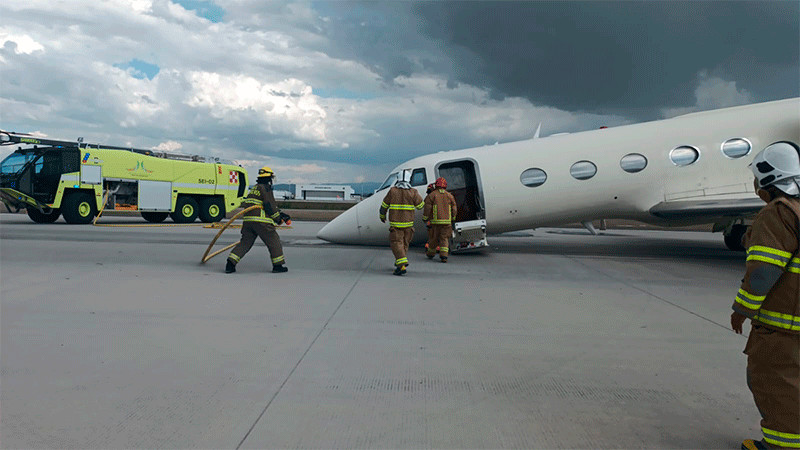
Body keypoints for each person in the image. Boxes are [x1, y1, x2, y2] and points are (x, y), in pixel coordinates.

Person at [730, 142, 800, 450]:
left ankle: (780, 447)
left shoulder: (779, 214)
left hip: (785, 329)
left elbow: (763, 272)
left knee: (777, 386)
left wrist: (741, 310)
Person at [225, 166, 290, 274]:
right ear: (269, 178)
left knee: (245, 243)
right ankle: (278, 266)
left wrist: (281, 213)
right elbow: (269, 206)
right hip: (261, 222)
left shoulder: (254, 189)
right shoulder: (266, 188)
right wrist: (278, 219)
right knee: (274, 241)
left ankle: (230, 264)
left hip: (248, 222)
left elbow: (262, 204)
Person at [379, 169, 424, 275]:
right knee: (404, 244)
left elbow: (384, 205)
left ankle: (402, 263)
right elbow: (420, 206)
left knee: (396, 243)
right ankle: (400, 264)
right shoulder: (413, 192)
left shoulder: (392, 191)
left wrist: (382, 216)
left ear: (398, 179)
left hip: (396, 224)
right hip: (409, 224)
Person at [423, 177, 457, 263]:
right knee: (444, 239)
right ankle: (444, 256)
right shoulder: (450, 196)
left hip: (435, 222)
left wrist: (425, 218)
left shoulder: (432, 195)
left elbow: (427, 208)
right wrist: (453, 218)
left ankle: (430, 254)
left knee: (433, 239)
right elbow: (454, 209)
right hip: (447, 222)